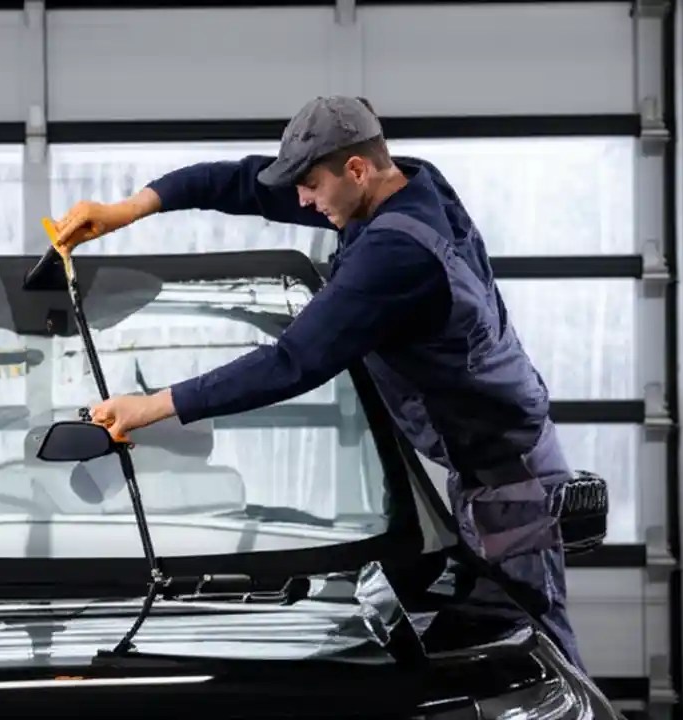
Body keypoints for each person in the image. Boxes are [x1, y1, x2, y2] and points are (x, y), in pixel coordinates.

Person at [50, 95, 585, 670]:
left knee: (534, 650)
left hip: (508, 480)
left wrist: (150, 407)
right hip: (482, 464)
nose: (302, 200)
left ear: (356, 169)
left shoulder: (397, 253)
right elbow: (239, 183)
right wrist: (125, 211)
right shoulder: (406, 182)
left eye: (309, 185)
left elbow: (292, 362)